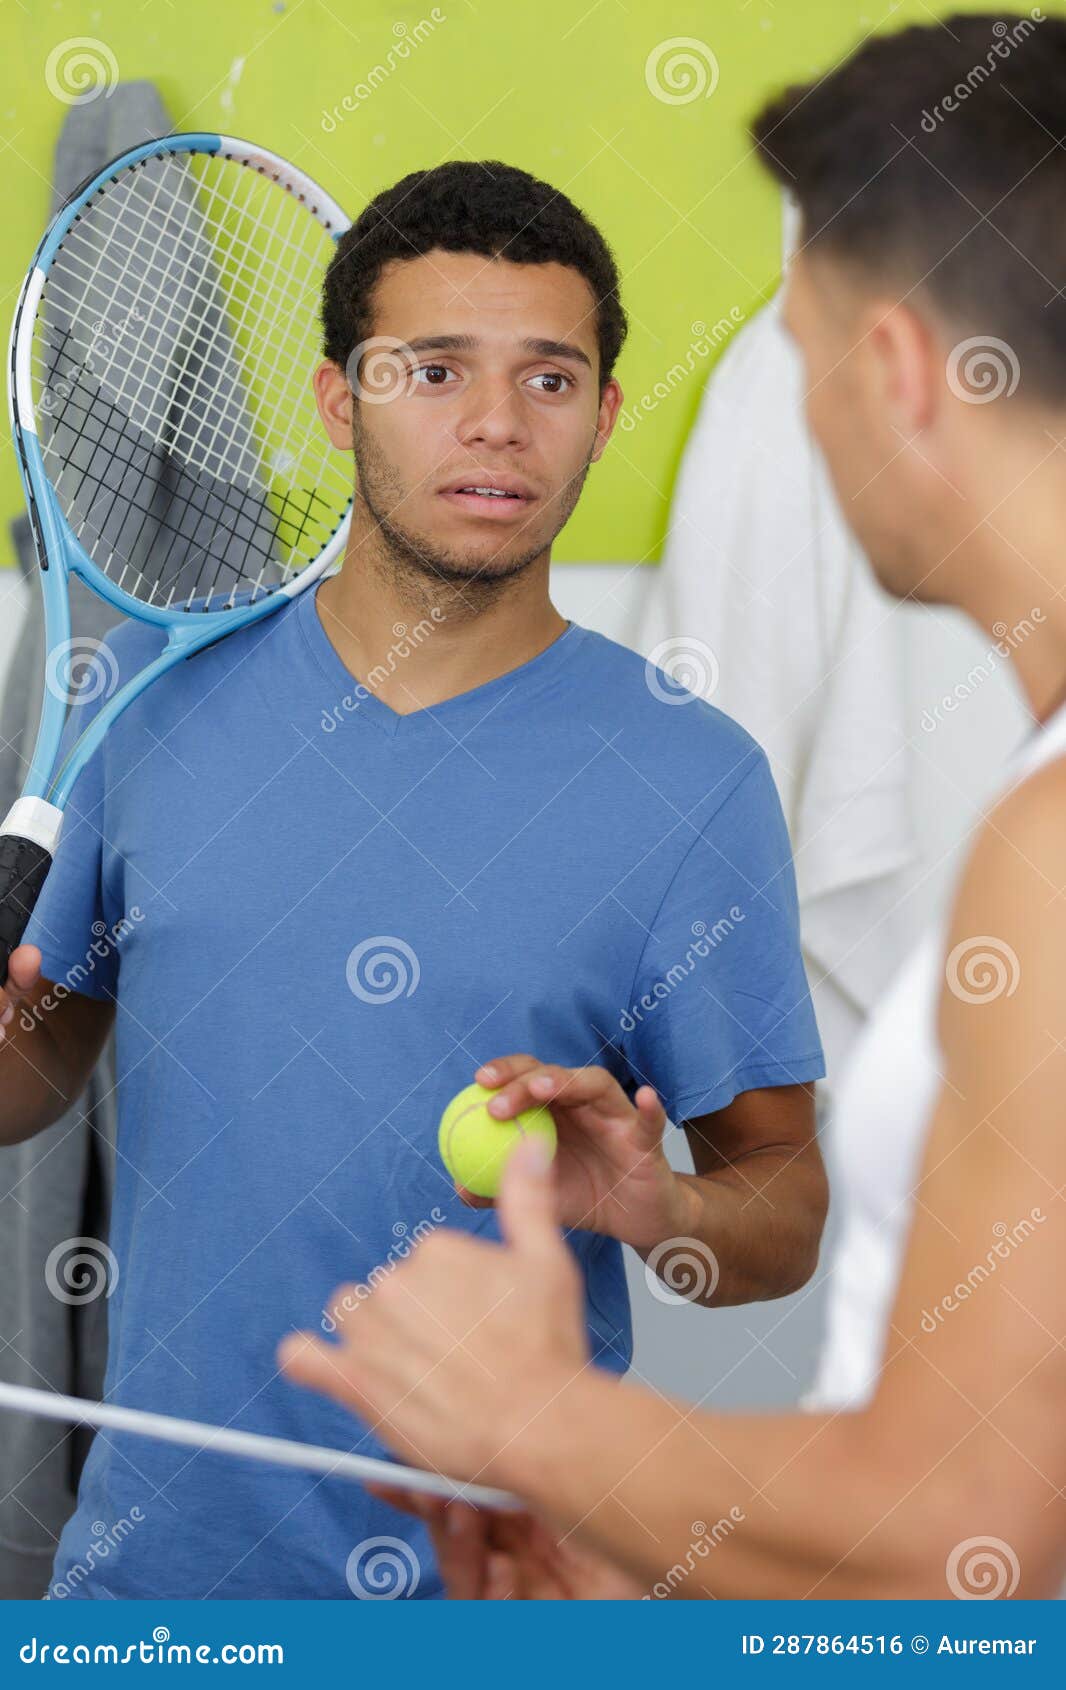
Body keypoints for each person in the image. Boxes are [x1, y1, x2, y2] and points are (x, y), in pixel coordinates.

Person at [278, 14, 1066, 1600]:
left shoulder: (1043, 854)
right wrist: (639, 1519)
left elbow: (964, 1529)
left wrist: (535, 1420)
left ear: (899, 372)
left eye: (797, 345)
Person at [0, 162, 826, 1598]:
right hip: (148, 1589)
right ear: (339, 401)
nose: (496, 424)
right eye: (434, 369)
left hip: (492, 1602)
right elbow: (31, 1075)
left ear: (602, 414)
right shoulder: (145, 701)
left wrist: (661, 1213)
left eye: (550, 379)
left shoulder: (691, 780)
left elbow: (781, 1210)